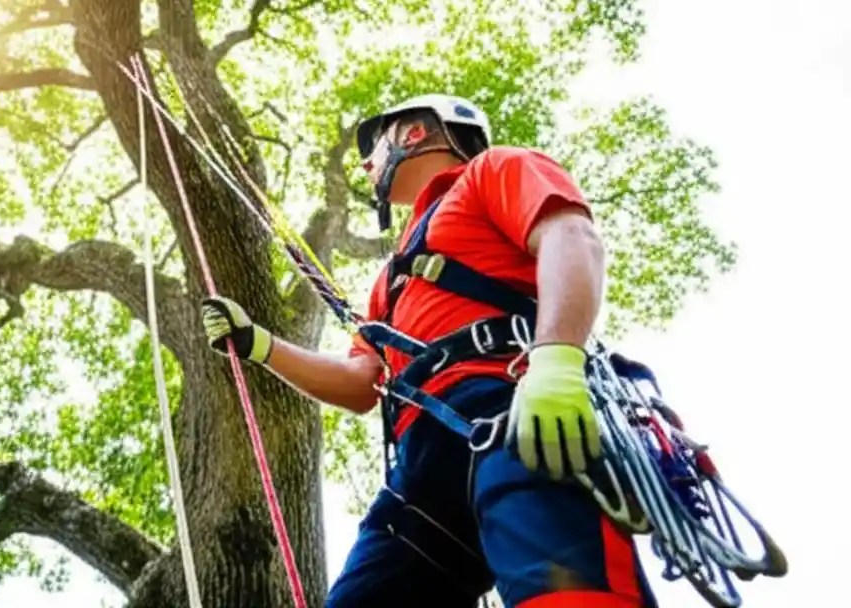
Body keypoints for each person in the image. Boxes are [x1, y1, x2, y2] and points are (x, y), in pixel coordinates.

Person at [201, 94, 658, 607]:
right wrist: (258, 344)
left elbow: (569, 234)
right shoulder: (389, 281)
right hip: (417, 475)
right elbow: (359, 382)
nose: (366, 163)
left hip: (513, 412)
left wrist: (555, 361)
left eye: (374, 147)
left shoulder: (493, 169)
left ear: (414, 133)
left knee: (567, 597)